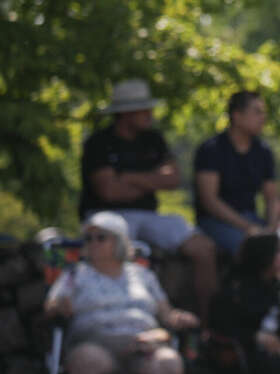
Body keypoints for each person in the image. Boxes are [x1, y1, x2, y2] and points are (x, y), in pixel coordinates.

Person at [79, 78, 218, 320]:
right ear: (126, 113)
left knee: (203, 248)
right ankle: (122, 318)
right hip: (108, 216)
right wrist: (152, 180)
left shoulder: (154, 139)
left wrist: (128, 178)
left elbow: (173, 179)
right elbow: (109, 191)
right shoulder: (99, 143)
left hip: (150, 215)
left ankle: (207, 324)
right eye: (144, 109)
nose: (150, 114)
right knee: (120, 251)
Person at [42, 211, 199, 374]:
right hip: (95, 343)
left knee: (168, 362)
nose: (93, 243)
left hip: (143, 346)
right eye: (88, 238)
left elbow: (166, 313)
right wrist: (58, 306)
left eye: (101, 237)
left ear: (119, 242)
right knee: (87, 361)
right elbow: (51, 306)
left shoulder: (143, 275)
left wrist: (179, 318)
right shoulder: (74, 275)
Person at [195, 90, 280, 276]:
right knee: (252, 252)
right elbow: (210, 201)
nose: (263, 118)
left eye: (264, 112)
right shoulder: (211, 150)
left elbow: (272, 199)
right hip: (216, 222)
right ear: (237, 116)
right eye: (257, 112)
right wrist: (248, 228)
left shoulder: (263, 152)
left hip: (253, 221)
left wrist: (269, 230)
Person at [207, 232, 280, 374]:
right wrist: (255, 336)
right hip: (246, 358)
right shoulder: (235, 291)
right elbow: (221, 326)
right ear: (264, 255)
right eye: (279, 251)